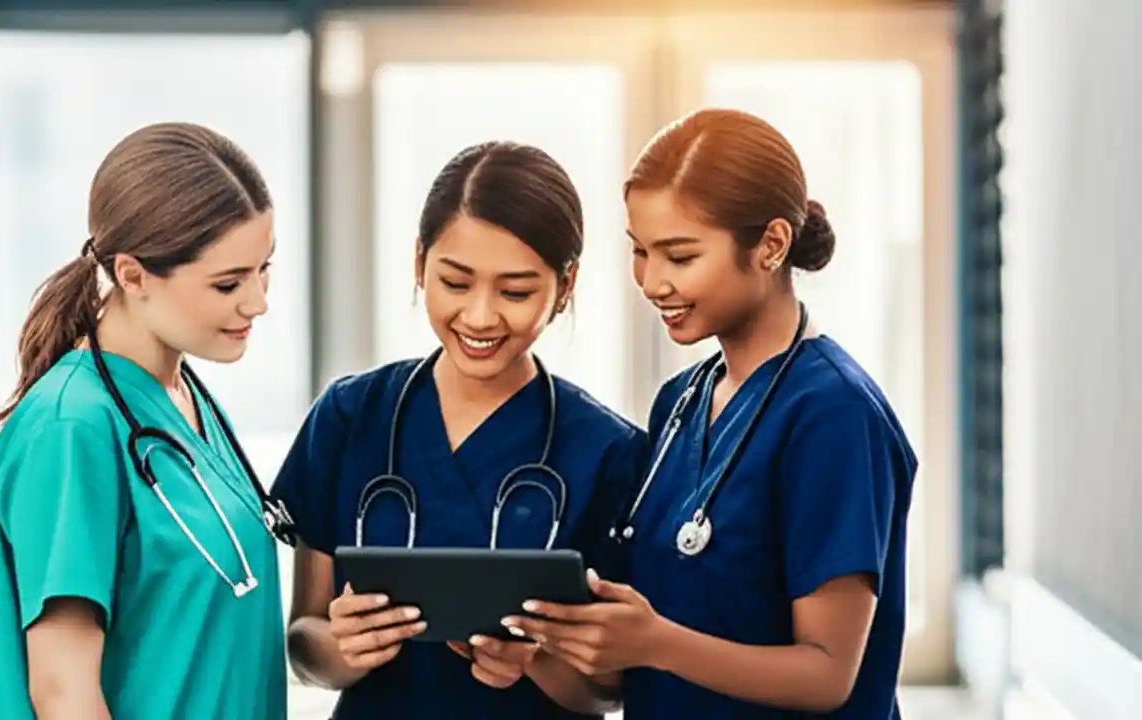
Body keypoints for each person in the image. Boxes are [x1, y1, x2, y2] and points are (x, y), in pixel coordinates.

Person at [503, 108, 918, 719]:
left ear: (772, 245)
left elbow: (828, 673)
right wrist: (538, 650)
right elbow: (641, 666)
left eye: (680, 255)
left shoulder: (834, 415)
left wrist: (656, 642)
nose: (651, 281)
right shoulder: (681, 402)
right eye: (640, 251)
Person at [272, 140, 647, 719]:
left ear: (565, 284)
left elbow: (610, 687)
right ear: (419, 262)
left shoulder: (608, 451)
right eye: (455, 281)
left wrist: (536, 662)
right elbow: (303, 638)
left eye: (516, 292)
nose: (479, 316)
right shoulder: (351, 417)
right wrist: (343, 650)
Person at [0, 122, 289, 719]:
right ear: (132, 274)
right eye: (228, 283)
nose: (258, 303)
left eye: (263, 269)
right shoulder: (72, 425)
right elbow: (62, 692)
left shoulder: (183, 397)